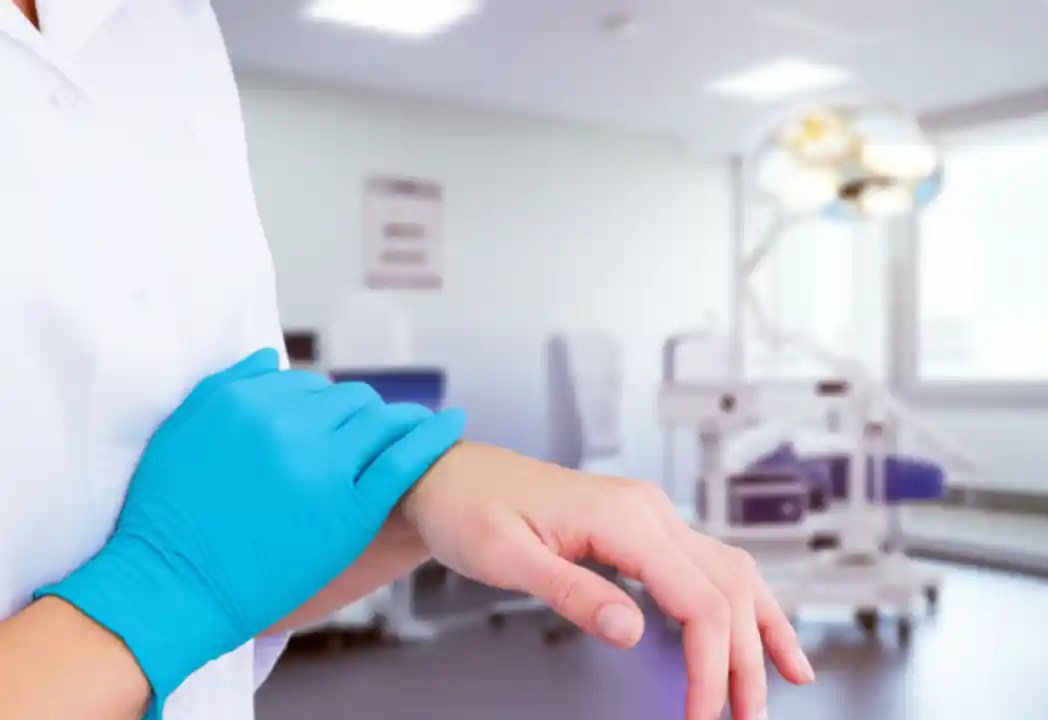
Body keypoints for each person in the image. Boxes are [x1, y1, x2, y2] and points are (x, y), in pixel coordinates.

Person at [0, 2, 815, 720]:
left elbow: (237, 578)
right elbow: (187, 581)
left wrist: (411, 497)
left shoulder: (174, 30)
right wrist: (158, 598)